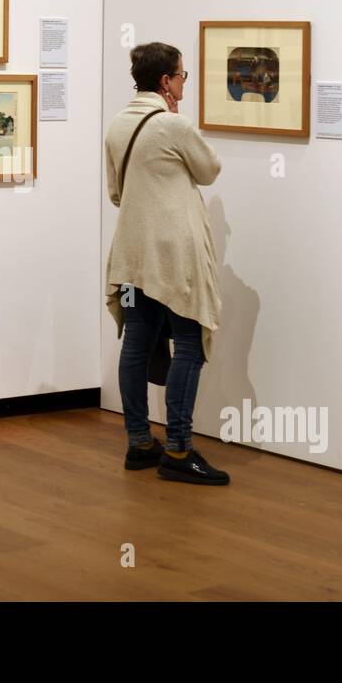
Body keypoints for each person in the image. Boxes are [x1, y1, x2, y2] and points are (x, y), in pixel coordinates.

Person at [104, 42, 229, 486]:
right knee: (190, 347)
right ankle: (178, 448)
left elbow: (116, 193)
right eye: (182, 76)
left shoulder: (119, 124)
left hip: (133, 256)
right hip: (174, 259)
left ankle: (139, 442)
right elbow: (210, 170)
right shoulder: (173, 125)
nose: (183, 83)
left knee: (136, 344)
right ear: (165, 81)